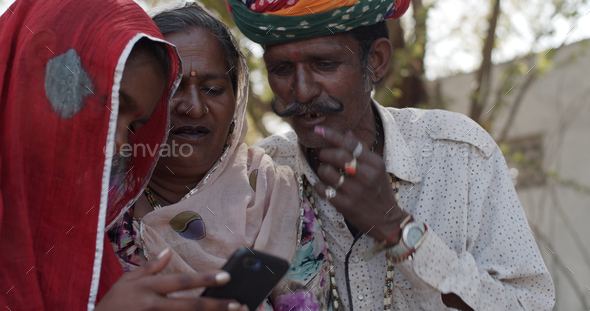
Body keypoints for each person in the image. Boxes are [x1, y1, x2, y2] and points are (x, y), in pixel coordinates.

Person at [226, 0, 556, 310]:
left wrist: (395, 227)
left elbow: (529, 303)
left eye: (324, 64)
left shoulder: (460, 154)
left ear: (377, 61)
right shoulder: (260, 174)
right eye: (281, 69)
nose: (301, 90)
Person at [0, 0, 245, 310]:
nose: (117, 144)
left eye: (133, 125)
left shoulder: (72, 234)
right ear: (40, 57)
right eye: (108, 104)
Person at [107, 3, 299, 308]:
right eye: (172, 88)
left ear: (236, 103)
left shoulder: (276, 195)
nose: (194, 107)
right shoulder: (101, 211)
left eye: (212, 89)